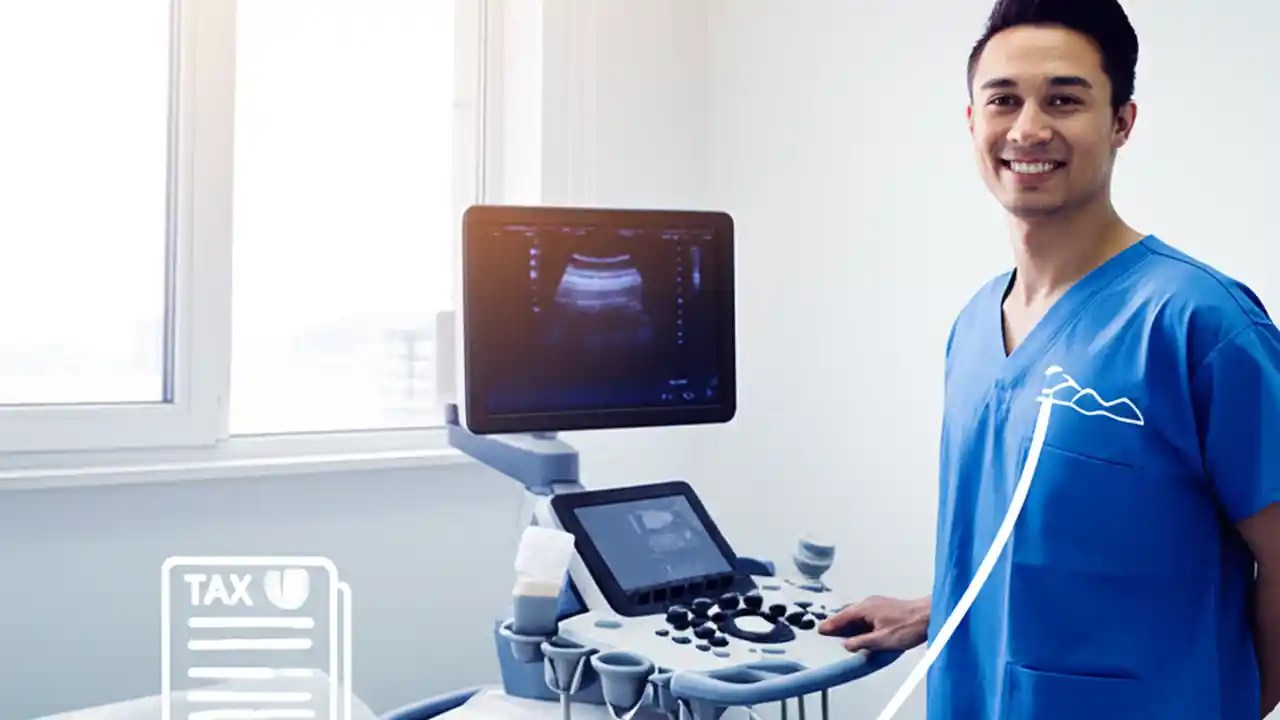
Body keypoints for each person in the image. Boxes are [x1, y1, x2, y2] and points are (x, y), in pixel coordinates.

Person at [819, 0, 1280, 717]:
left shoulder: (1200, 323)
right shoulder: (975, 326)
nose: (1028, 129)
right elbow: (1060, 543)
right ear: (972, 121)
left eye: (1064, 100)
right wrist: (941, 607)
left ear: (1121, 121)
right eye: (1004, 100)